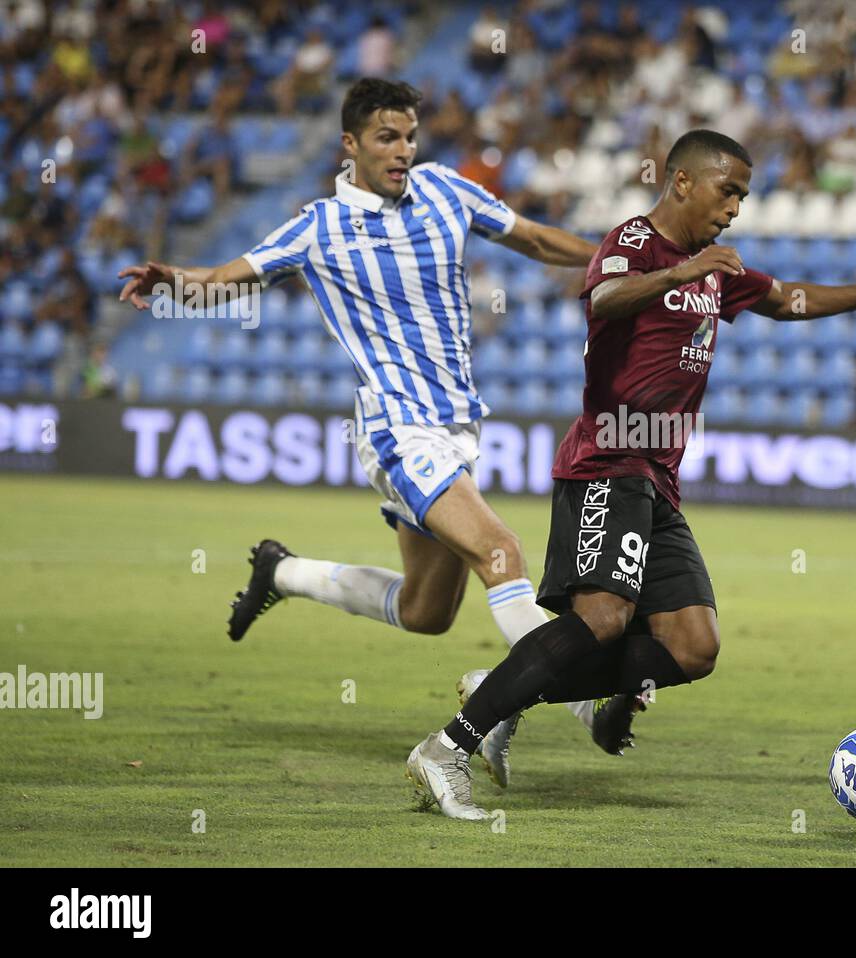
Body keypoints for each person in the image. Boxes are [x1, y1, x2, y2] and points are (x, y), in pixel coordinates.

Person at [405, 129, 856, 820]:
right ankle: (447, 747)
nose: (735, 208)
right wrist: (679, 275)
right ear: (684, 182)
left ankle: (502, 686)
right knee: (603, 619)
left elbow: (791, 300)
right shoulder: (635, 242)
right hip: (607, 460)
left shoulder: (713, 267)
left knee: (693, 646)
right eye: (728, 191)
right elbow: (602, 298)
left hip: (657, 478)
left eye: (744, 196)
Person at [117, 78, 606, 789]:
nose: (403, 150)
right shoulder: (318, 225)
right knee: (501, 551)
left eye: (409, 136)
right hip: (397, 428)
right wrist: (173, 280)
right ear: (350, 144)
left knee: (426, 611)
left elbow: (531, 236)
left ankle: (280, 571)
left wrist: (613, 261)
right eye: (386, 137)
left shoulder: (447, 191)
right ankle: (581, 694)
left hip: (458, 429)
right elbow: (230, 277)